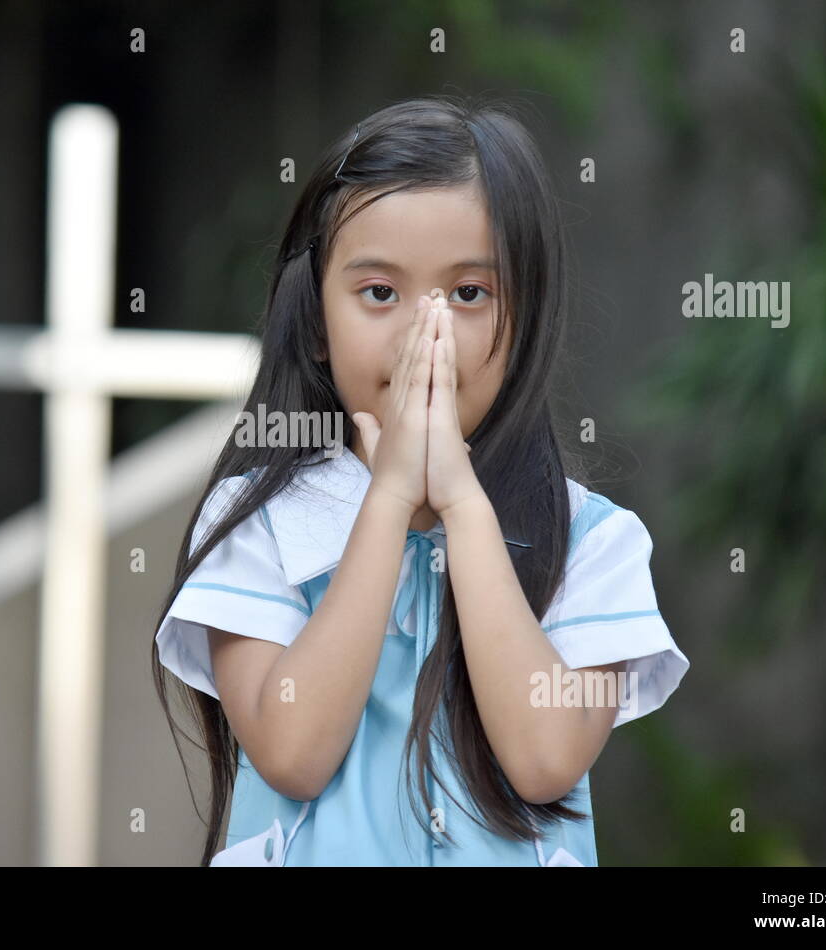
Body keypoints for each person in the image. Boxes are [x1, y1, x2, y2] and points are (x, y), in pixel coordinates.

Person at [151, 94, 689, 866]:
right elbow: (292, 752)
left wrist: (464, 506)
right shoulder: (255, 524)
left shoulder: (594, 544)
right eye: (379, 294)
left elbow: (546, 758)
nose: (422, 334)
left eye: (469, 295)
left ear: (526, 320)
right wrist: (391, 499)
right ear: (316, 321)